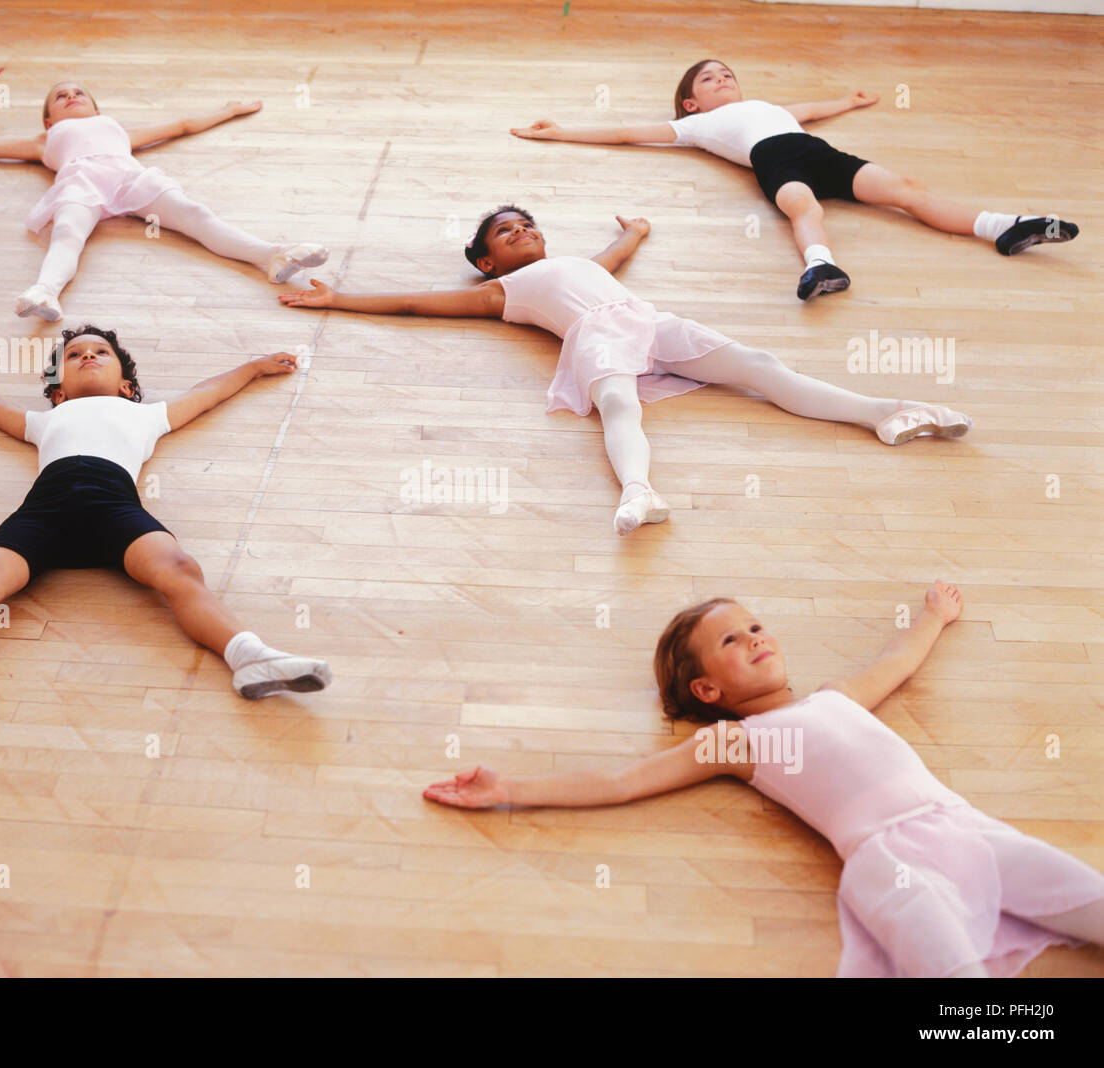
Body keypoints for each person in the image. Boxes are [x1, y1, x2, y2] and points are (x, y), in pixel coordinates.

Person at [425, 582, 1104, 978]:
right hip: (888, 862)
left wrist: (935, 615)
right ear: (707, 689)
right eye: (731, 642)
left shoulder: (837, 696)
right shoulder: (734, 742)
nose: (755, 637)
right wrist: (509, 787)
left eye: (753, 625)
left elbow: (898, 662)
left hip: (964, 827)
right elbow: (622, 781)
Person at [280, 206, 971, 535]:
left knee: (758, 365)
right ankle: (638, 492)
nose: (524, 232)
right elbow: (410, 303)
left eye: (528, 224)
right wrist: (337, 299)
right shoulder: (502, 292)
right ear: (487, 262)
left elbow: (610, 258)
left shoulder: (578, 263)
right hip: (593, 338)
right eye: (506, 233)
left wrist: (636, 233)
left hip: (645, 317)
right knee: (618, 406)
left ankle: (883, 411)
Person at [0, 325, 332, 729]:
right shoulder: (46, 421)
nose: (87, 356)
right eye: (74, 355)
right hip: (45, 511)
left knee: (179, 568)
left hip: (115, 506)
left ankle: (251, 657)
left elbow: (208, 392)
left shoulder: (149, 415)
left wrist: (252, 367)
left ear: (127, 386)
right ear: (58, 392)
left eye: (100, 353)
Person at [511, 60, 1079, 300]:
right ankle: (819, 265)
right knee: (806, 209)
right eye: (709, 78)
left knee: (908, 190)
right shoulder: (695, 126)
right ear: (691, 101)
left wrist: (847, 101)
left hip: (819, 150)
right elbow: (629, 132)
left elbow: (804, 110)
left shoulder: (764, 103)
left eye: (727, 72)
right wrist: (560, 131)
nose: (723, 78)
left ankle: (1003, 226)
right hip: (776, 162)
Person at [0, 82, 329, 320]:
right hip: (81, 183)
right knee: (69, 233)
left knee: (195, 216)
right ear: (50, 117)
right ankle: (45, 292)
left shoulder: (118, 130)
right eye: (61, 95)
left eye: (79, 92)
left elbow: (184, 124)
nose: (71, 95)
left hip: (129, 178)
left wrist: (230, 110)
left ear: (95, 108)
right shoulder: (43, 141)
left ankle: (272, 256)